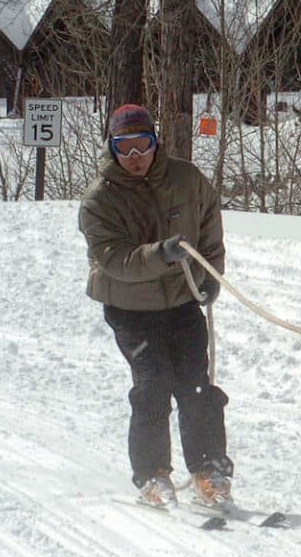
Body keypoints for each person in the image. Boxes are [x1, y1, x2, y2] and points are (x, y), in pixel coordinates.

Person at [79, 103, 235, 512]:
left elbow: (210, 230)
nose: (135, 157)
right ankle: (152, 473)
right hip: (130, 307)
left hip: (182, 300)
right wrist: (159, 254)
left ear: (155, 142)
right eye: (124, 148)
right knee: (153, 384)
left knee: (195, 383)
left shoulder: (188, 179)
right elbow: (114, 260)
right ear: (112, 149)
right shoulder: (99, 200)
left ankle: (210, 470)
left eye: (142, 145)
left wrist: (209, 277)